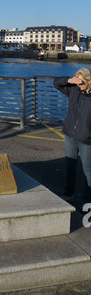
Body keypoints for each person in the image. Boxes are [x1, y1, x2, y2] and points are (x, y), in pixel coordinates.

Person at [54, 68, 91, 204]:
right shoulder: (73, 90)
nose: (79, 84)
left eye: (82, 82)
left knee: (88, 171)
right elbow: (56, 83)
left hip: (86, 139)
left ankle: (88, 201)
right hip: (70, 135)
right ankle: (68, 194)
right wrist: (69, 80)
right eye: (77, 81)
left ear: (89, 81)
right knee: (70, 166)